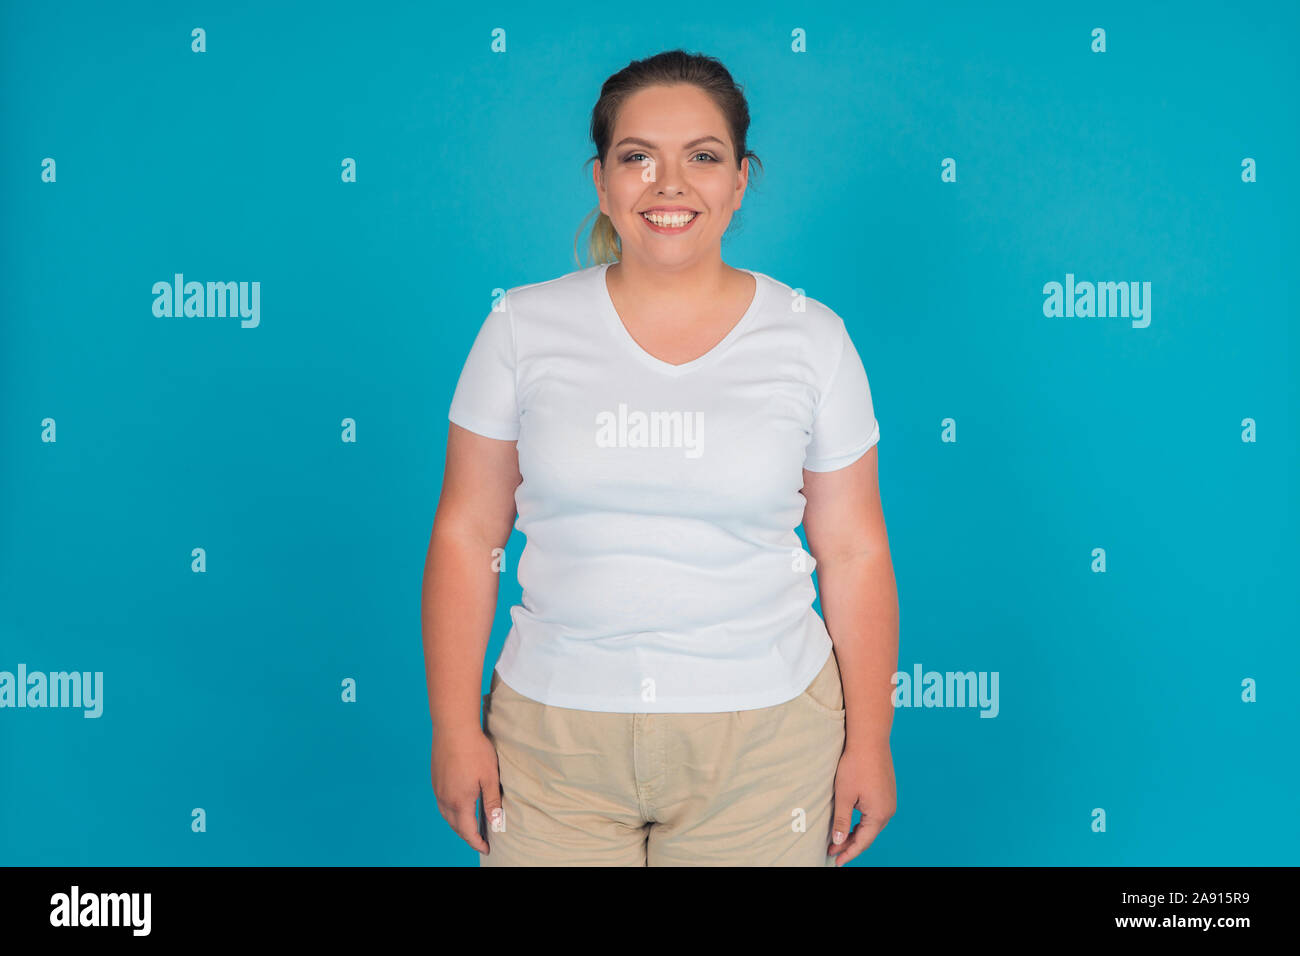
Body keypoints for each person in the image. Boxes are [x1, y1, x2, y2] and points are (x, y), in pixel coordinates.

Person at [422, 49, 899, 866]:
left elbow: (853, 550)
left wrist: (872, 742)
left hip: (766, 740)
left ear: (741, 179)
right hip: (552, 742)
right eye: (638, 157)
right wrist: (454, 728)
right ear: (601, 180)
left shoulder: (811, 338)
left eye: (702, 157)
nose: (668, 183)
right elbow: (468, 533)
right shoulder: (520, 328)